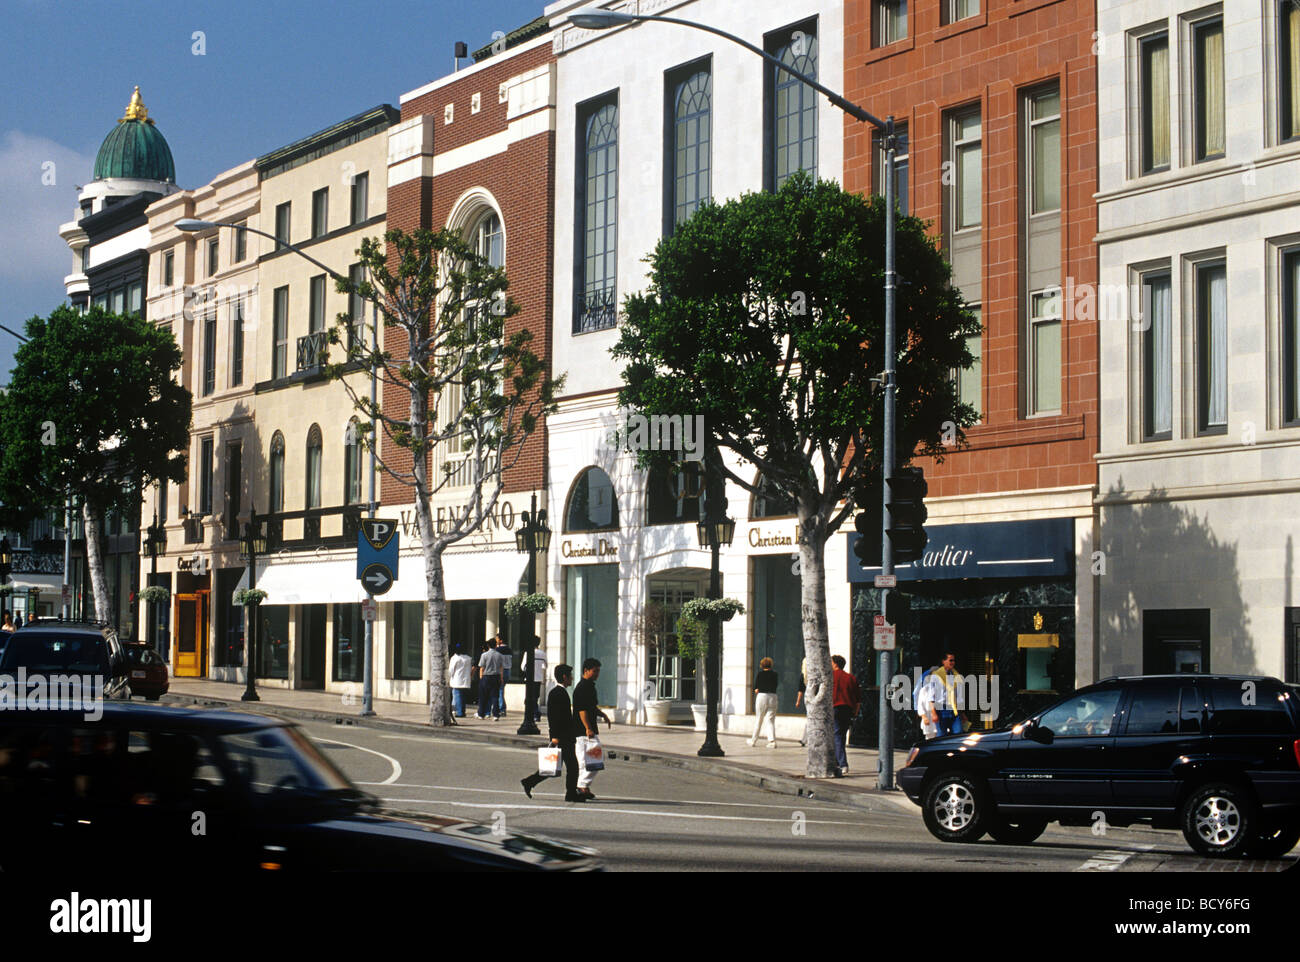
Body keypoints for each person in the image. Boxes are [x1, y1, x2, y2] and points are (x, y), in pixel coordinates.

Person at [521, 664, 585, 802]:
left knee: (552, 767)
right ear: (564, 677)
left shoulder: (559, 692)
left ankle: (529, 782)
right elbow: (554, 717)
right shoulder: (558, 693)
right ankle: (571, 794)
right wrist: (555, 736)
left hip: (565, 736)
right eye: (570, 676)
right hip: (563, 737)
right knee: (572, 767)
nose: (572, 679)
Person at [571, 657, 611, 800]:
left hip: (588, 729)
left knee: (591, 760)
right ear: (586, 671)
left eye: (598, 671)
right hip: (582, 731)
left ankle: (583, 786)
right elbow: (582, 710)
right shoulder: (582, 688)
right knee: (589, 759)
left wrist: (602, 714)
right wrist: (588, 728)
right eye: (595, 671)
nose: (597, 674)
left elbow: (591, 707)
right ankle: (582, 786)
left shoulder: (590, 686)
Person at [831, 655, 861, 777]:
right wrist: (855, 712)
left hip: (835, 707)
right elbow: (858, 699)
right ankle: (838, 763)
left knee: (837, 736)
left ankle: (843, 764)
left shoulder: (831, 677)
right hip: (847, 709)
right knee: (841, 736)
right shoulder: (851, 678)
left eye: (831, 663)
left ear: (835, 664)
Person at [932, 652, 969, 736]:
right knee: (941, 736)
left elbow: (959, 697)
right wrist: (933, 713)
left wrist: (962, 713)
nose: (952, 662)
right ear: (943, 661)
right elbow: (931, 697)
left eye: (954, 660)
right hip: (941, 710)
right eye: (950, 660)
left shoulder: (956, 675)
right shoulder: (936, 676)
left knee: (958, 734)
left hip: (954, 710)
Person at [747, 657, 779, 747]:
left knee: (759, 718)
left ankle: (753, 740)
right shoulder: (775, 674)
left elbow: (756, 689)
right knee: (770, 720)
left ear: (762, 665)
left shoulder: (760, 674)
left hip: (762, 696)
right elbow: (776, 685)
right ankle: (772, 741)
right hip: (773, 696)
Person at [477, 639, 506, 720]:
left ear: (488, 646)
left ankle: (481, 713)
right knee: (495, 696)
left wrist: (481, 677)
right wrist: (501, 678)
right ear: (496, 645)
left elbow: (482, 667)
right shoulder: (500, 655)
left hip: (486, 676)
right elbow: (501, 668)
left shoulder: (484, 655)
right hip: (496, 676)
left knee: (483, 696)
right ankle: (496, 715)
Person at [521, 635, 546, 723]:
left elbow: (523, 666)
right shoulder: (542, 653)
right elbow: (545, 666)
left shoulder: (528, 653)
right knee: (535, 697)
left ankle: (535, 713)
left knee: (529, 698)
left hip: (530, 678)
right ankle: (535, 713)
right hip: (539, 678)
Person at [913, 664, 941, 740]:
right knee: (930, 739)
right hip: (929, 717)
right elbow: (920, 705)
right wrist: (924, 717)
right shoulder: (924, 689)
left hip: (941, 717)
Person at [447, 644, 472, 718]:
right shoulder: (468, 658)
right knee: (463, 698)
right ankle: (463, 711)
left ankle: (460, 712)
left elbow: (451, 670)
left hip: (457, 681)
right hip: (466, 681)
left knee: (457, 697)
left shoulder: (455, 658)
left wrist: (448, 678)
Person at [494, 634, 512, 717]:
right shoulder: (509, 649)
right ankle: (501, 708)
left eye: (497, 639)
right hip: (508, 671)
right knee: (501, 689)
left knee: (500, 690)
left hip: (501, 671)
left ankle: (502, 708)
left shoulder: (498, 650)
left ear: (500, 640)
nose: (496, 640)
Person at [795, 657, 807, 747]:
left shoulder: (803, 676)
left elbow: (800, 690)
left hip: (808, 697)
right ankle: (805, 739)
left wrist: (798, 701)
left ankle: (805, 739)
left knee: (810, 719)